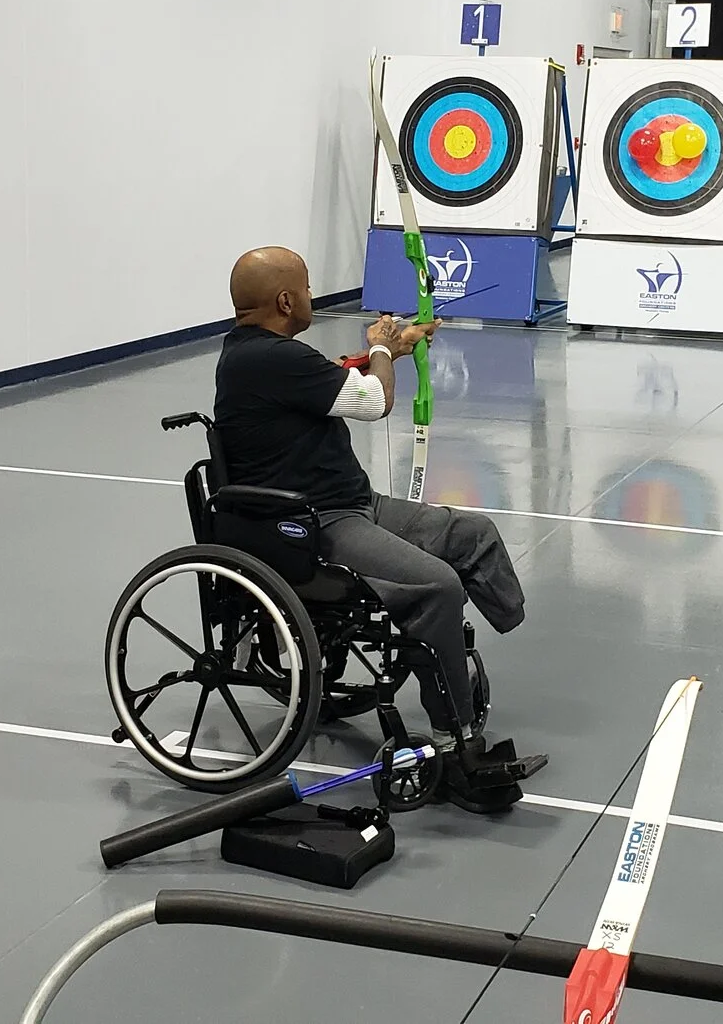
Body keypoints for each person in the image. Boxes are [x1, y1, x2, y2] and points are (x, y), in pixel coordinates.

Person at [214, 246, 544, 812]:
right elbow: (374, 402)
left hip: (354, 503)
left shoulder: (268, 355)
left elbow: (330, 380)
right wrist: (382, 352)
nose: (313, 297)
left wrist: (391, 346)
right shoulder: (267, 358)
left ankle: (465, 652)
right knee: (436, 586)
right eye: (309, 288)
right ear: (287, 300)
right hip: (316, 525)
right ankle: (454, 746)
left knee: (473, 534)